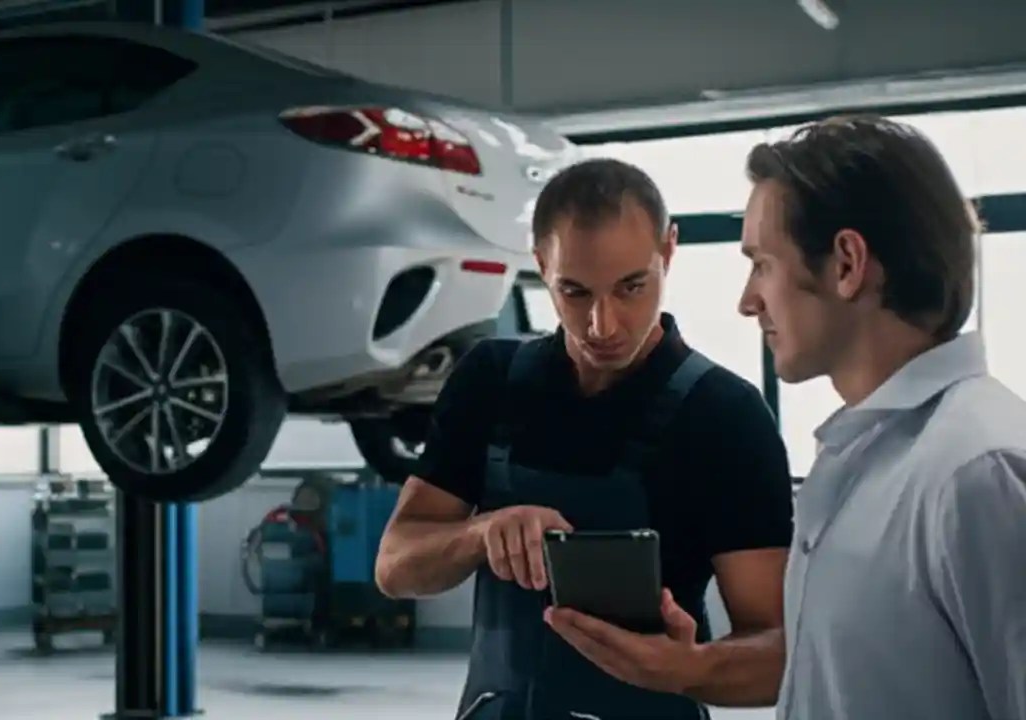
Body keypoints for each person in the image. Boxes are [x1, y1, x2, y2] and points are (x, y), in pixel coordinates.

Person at [374, 157, 796, 720]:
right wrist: (482, 533)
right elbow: (395, 568)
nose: (603, 325)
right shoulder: (489, 380)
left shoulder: (726, 415)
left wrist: (687, 667)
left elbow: (778, 655)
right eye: (574, 291)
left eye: (631, 287)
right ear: (541, 264)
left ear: (668, 251)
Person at [731, 114, 1026, 720]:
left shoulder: (978, 472)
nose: (747, 301)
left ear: (847, 263)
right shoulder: (862, 457)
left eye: (762, 263)